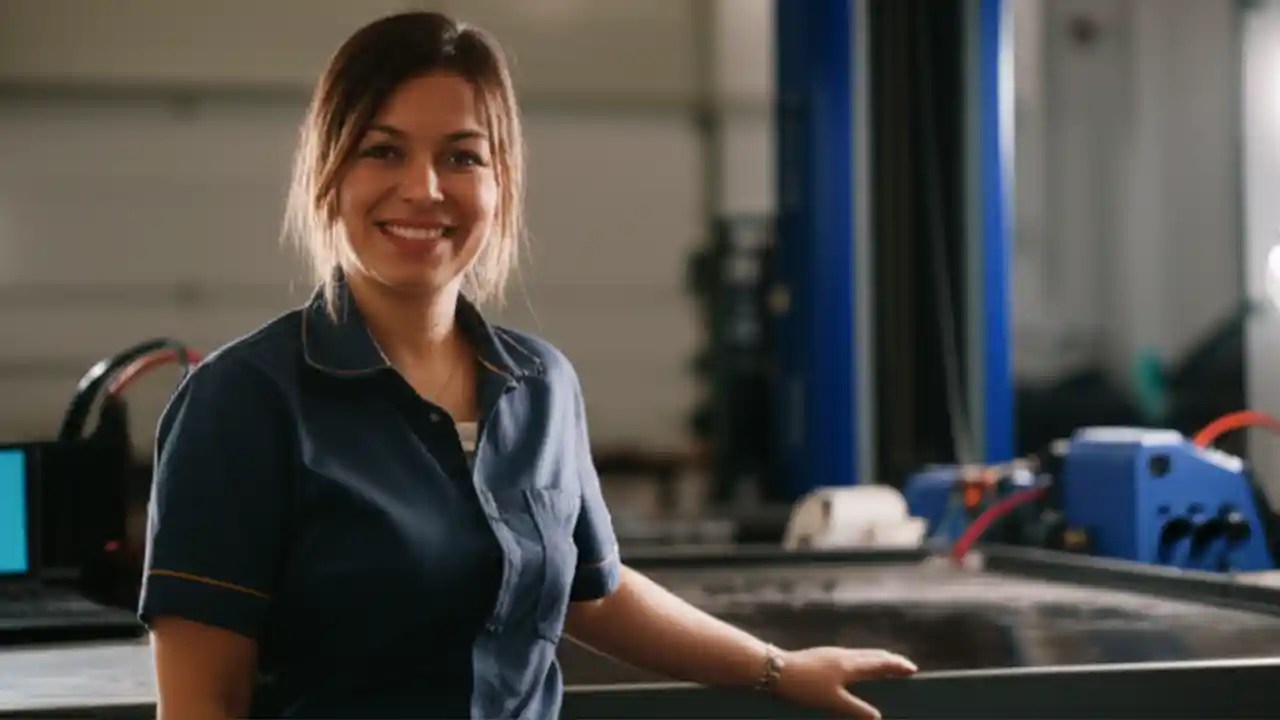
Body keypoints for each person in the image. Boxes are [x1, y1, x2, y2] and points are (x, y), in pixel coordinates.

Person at [139, 11, 916, 720]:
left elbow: (594, 595)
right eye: (383, 151)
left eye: (462, 156)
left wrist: (776, 668)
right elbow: (206, 698)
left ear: (501, 182)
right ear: (329, 173)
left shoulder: (541, 386)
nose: (424, 189)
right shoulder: (243, 402)